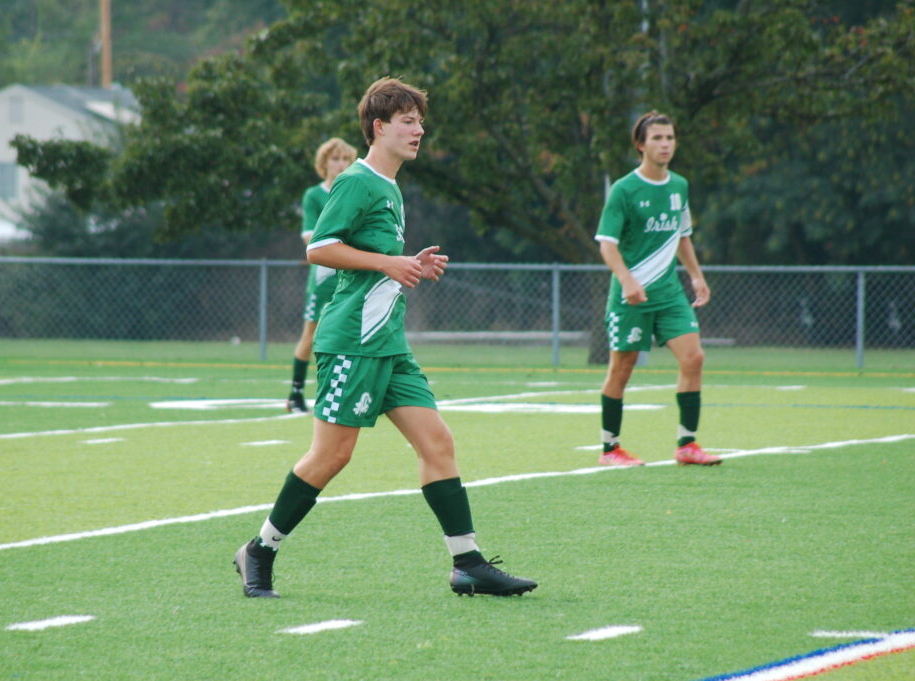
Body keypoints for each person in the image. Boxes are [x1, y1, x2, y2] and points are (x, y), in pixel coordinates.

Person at [235, 77, 538, 598]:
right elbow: (318, 249)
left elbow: (375, 260)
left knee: (437, 442)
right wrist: (387, 262)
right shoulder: (356, 181)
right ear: (379, 127)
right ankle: (259, 551)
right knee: (332, 456)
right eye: (408, 122)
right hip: (351, 341)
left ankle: (467, 563)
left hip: (389, 344)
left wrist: (408, 264)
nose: (419, 131)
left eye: (420, 122)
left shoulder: (390, 187)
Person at [594, 110, 721, 467]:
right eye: (657, 138)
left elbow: (683, 235)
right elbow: (607, 245)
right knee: (622, 369)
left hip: (668, 294)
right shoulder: (624, 190)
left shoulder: (679, 186)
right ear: (641, 145)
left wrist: (696, 276)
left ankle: (687, 445)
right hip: (631, 298)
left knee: (694, 358)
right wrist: (627, 280)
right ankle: (610, 449)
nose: (665, 144)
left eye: (670, 138)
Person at [286, 137, 359, 413]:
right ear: (324, 163)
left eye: (346, 159)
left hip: (351, 275)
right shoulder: (314, 195)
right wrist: (335, 249)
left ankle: (343, 391)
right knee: (311, 335)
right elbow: (309, 236)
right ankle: (295, 393)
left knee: (349, 334)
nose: (341, 164)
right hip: (324, 278)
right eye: (335, 159)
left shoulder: (355, 191)